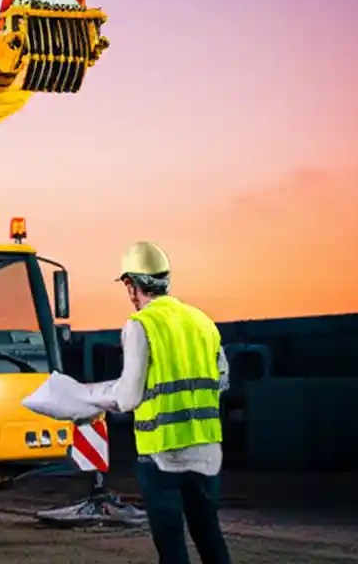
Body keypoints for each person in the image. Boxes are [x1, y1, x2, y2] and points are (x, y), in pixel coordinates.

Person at [91, 241, 232, 564]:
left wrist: (98, 399)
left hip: (162, 454)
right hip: (208, 451)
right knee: (209, 535)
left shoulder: (141, 325)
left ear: (131, 285)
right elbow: (222, 379)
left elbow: (128, 397)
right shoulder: (202, 322)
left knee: (171, 546)